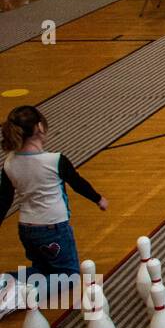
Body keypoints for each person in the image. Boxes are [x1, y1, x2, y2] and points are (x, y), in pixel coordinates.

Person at [0, 106, 108, 317]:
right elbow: (77, 183)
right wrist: (98, 199)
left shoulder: (10, 163)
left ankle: (7, 280)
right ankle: (21, 295)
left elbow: (4, 200)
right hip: (54, 229)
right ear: (40, 127)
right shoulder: (55, 160)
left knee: (42, 269)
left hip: (27, 230)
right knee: (69, 275)